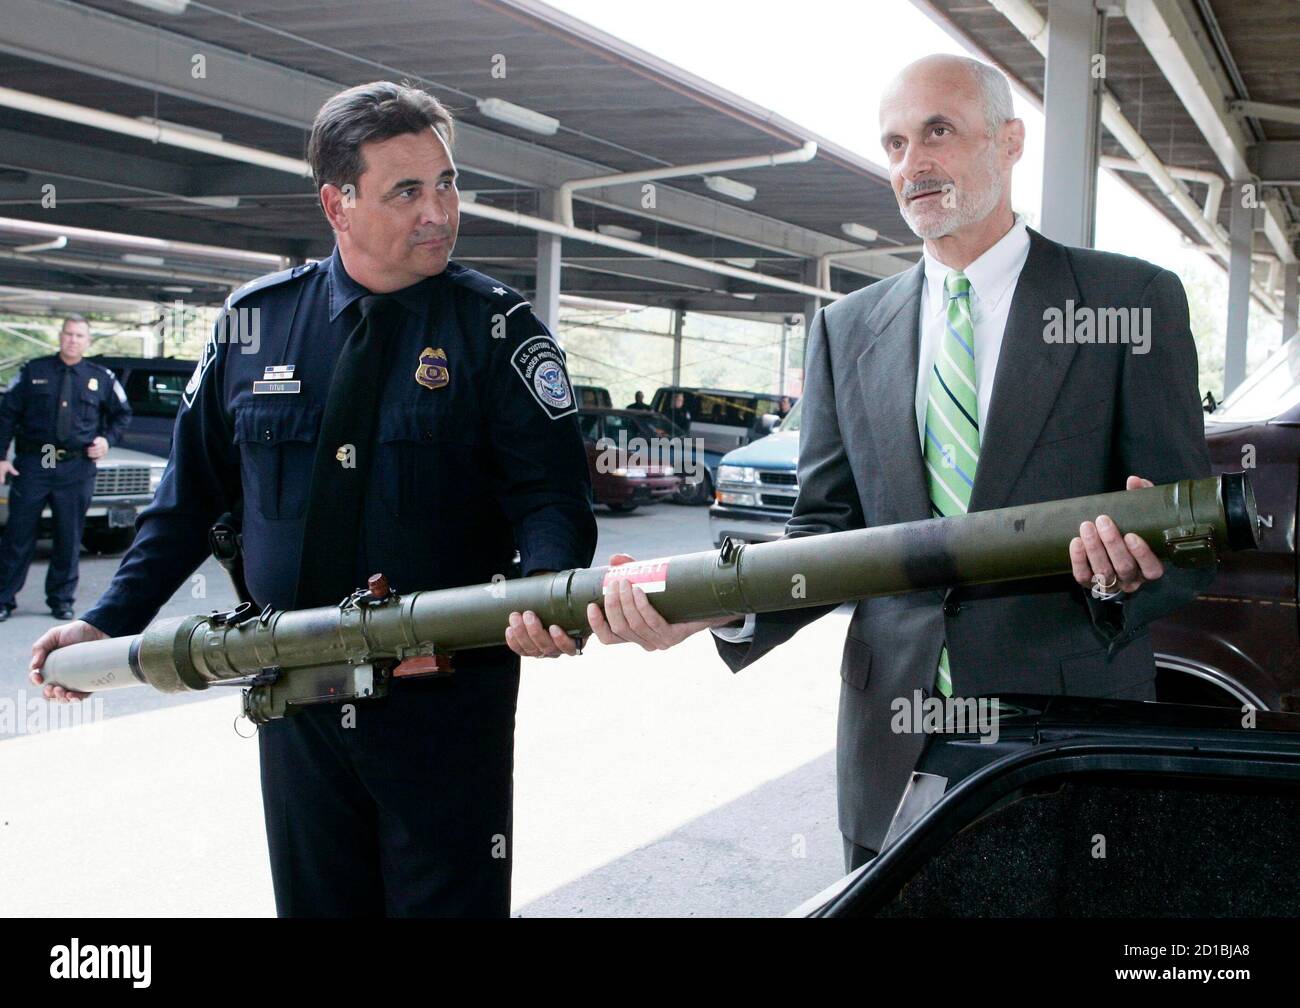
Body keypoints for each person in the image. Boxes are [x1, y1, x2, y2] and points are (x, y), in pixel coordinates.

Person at [508, 54, 1214, 874]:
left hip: (1066, 736)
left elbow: (1189, 527)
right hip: (893, 746)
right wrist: (713, 608)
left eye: (938, 133)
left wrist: (1133, 572)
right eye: (893, 144)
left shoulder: (1128, 301)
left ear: (1011, 141)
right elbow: (826, 534)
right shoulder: (848, 330)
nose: (912, 165)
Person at [31, 81, 597, 917]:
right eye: (406, 191)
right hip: (293, 697)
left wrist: (548, 594)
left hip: (443, 701)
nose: (438, 211)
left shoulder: (498, 331)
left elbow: (551, 498)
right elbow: (187, 503)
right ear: (336, 203)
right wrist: (108, 620)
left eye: (446, 184)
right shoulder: (254, 327)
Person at [0, 315, 130, 621]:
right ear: (60, 337)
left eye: (79, 335)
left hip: (76, 466)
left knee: (68, 536)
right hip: (36, 462)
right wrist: (1, 457)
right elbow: (6, 414)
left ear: (87, 341)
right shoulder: (34, 372)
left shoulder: (101, 377)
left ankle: (61, 599)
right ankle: (4, 599)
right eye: (68, 334)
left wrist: (106, 440)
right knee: (18, 535)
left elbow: (122, 414)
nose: (73, 340)